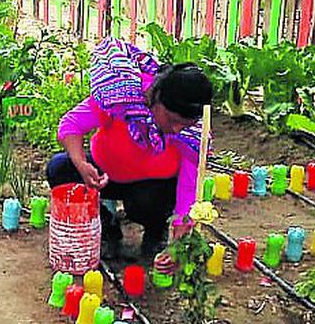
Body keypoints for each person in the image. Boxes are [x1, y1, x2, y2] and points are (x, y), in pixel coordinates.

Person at [48, 37, 213, 262]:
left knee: (148, 202)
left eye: (184, 125)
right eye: (172, 120)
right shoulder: (121, 97)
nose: (176, 129)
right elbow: (71, 125)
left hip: (150, 190)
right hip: (105, 177)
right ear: (155, 98)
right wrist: (81, 164)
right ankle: (106, 227)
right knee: (59, 169)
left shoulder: (192, 133)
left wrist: (181, 229)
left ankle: (155, 232)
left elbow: (188, 182)